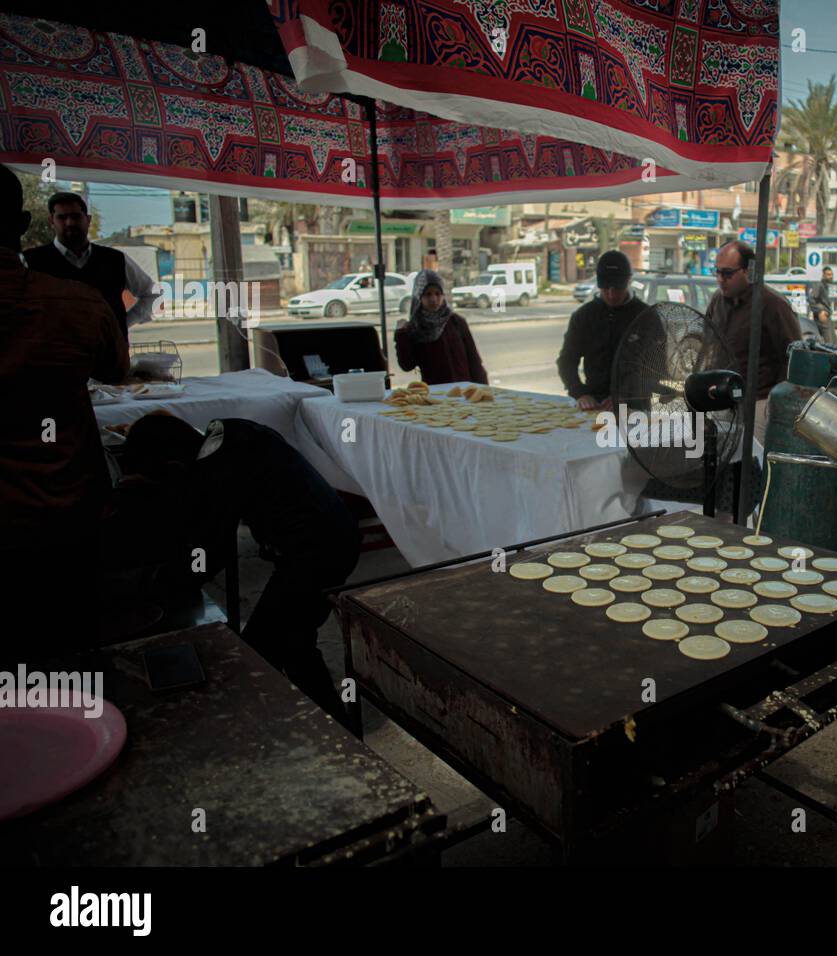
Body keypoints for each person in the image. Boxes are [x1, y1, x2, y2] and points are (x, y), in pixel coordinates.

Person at [123, 414, 359, 720]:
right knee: (295, 642)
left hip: (317, 551)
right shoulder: (229, 431)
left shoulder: (216, 471)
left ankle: (298, 728)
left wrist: (160, 588)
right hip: (328, 537)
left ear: (173, 467)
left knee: (259, 652)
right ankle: (334, 726)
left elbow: (211, 552)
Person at [0, 165, 128, 663]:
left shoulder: (102, 271)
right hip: (66, 506)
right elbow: (115, 371)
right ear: (30, 221)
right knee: (71, 649)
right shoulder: (77, 303)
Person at [23, 191, 159, 341]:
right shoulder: (32, 261)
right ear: (51, 221)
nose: (69, 223)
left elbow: (151, 293)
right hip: (54, 358)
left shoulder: (115, 259)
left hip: (108, 358)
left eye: (75, 216)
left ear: (87, 220)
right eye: (62, 217)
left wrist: (121, 324)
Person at [703, 240, 801, 444]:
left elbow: (793, 356)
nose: (721, 280)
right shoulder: (717, 302)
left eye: (728, 273)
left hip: (759, 401)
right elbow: (707, 343)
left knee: (751, 464)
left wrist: (777, 400)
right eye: (717, 272)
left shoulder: (773, 305)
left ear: (748, 271)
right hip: (722, 399)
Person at [557, 250, 647, 410]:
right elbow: (566, 361)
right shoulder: (583, 316)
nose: (612, 295)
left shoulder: (646, 317)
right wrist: (579, 393)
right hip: (594, 403)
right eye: (606, 288)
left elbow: (657, 370)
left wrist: (625, 396)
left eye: (617, 289)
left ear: (628, 280)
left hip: (636, 405)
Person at [394, 270, 488, 386]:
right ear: (419, 296)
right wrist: (400, 334)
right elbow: (407, 365)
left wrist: (484, 390)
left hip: (463, 392)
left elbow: (474, 361)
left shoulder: (456, 322)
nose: (434, 299)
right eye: (428, 294)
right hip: (435, 396)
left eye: (438, 294)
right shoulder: (415, 328)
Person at [806, 265, 837, 345]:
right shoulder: (819, 286)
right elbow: (810, 299)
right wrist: (820, 311)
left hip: (827, 317)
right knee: (829, 344)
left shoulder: (825, 286)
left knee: (835, 341)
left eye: (831, 274)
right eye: (828, 275)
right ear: (823, 275)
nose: (831, 276)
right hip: (822, 319)